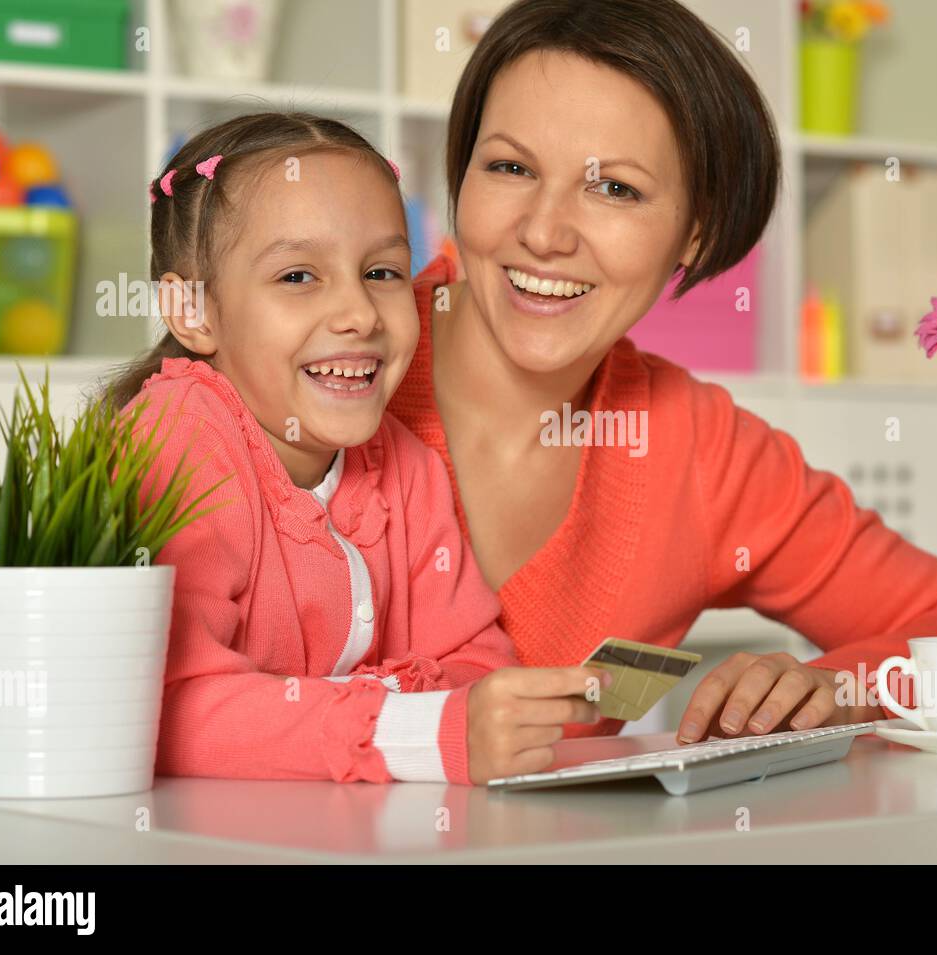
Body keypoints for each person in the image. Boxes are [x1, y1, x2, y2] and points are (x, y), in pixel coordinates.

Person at [387, 0, 937, 745]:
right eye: (510, 167)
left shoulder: (699, 451)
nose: (544, 232)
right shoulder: (327, 356)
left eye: (615, 187)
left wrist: (839, 688)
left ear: (698, 230)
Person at [107, 112, 606, 786]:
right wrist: (411, 725)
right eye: (297, 277)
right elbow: (169, 707)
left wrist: (470, 714)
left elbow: (475, 660)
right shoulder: (178, 437)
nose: (361, 314)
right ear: (193, 310)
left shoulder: (405, 465)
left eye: (382, 271)